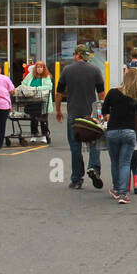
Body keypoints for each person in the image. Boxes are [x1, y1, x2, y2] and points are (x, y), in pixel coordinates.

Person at [101, 68, 137, 204]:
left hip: (113, 131)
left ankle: (115, 188)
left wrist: (110, 114)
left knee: (115, 162)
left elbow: (104, 110)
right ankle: (123, 194)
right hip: (129, 132)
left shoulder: (113, 92)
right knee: (125, 163)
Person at [55, 46, 106, 189]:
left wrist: (58, 110)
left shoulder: (67, 70)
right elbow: (101, 94)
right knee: (94, 142)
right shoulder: (95, 70)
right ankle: (94, 168)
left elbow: (59, 93)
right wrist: (105, 112)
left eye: (74, 54)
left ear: (78, 55)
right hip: (91, 114)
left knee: (75, 146)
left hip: (73, 113)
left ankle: (77, 179)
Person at [19, 61, 54, 143]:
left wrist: (36, 88)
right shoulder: (30, 75)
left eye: (41, 67)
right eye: (38, 67)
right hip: (32, 100)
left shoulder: (46, 76)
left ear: (44, 68)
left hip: (43, 101)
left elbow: (48, 86)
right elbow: (24, 84)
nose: (39, 69)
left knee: (43, 119)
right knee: (33, 118)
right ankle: (34, 134)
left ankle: (44, 135)